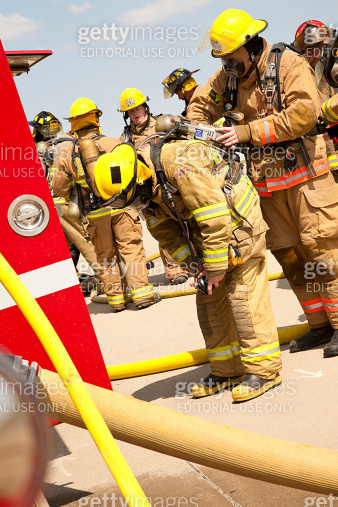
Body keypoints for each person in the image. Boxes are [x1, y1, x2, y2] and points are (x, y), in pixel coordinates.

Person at [187, 8, 338, 358]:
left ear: (251, 46)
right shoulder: (228, 77)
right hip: (267, 186)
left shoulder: (288, 64)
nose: (226, 66)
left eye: (231, 58)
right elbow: (198, 107)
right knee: (291, 259)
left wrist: (246, 132)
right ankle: (319, 326)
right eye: (222, 60)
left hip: (307, 180)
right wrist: (197, 130)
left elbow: (304, 114)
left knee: (324, 253)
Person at [93, 136, 282, 402]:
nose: (137, 207)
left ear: (139, 180)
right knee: (209, 304)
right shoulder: (144, 187)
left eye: (133, 200)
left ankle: (264, 371)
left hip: (238, 224)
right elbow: (165, 233)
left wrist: (214, 269)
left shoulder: (181, 163)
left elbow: (215, 220)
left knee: (244, 300)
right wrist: (197, 269)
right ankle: (227, 370)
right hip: (208, 233)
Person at [50, 97, 160, 311]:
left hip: (94, 213)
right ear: (96, 118)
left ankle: (116, 301)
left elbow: (59, 190)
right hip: (122, 208)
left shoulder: (66, 153)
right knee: (131, 248)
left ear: (73, 123)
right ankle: (142, 296)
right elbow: (135, 172)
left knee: (104, 255)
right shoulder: (113, 143)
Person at [118, 87, 188, 285]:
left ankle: (194, 262)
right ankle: (174, 268)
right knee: (163, 226)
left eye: (138, 109)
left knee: (186, 221)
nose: (135, 114)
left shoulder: (162, 123)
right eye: (131, 112)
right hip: (150, 190)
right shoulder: (125, 139)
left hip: (172, 182)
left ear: (145, 107)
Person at [29, 111, 99, 290]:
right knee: (85, 242)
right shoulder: (67, 144)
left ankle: (72, 285)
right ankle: (108, 279)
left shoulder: (37, 148)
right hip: (69, 204)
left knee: (65, 248)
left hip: (48, 208)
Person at [292, 21, 338, 177]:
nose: (316, 57)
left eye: (320, 50)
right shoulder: (293, 81)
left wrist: (332, 133)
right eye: (310, 51)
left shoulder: (332, 77)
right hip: (317, 167)